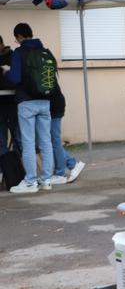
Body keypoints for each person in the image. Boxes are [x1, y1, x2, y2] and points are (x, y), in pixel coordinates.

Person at [2, 23, 55, 193]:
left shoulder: (20, 52)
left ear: (18, 36)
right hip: (45, 101)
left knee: (28, 141)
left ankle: (31, 181)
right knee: (46, 141)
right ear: (31, 34)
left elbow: (15, 78)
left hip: (26, 102)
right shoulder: (44, 51)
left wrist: (6, 73)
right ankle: (46, 180)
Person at [47, 86, 85, 185]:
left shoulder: (41, 72)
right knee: (52, 141)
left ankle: (60, 173)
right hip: (54, 106)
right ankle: (71, 164)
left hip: (53, 107)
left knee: (54, 141)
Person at [0, 34, 19, 156]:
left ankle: (20, 168)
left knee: (18, 137)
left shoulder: (13, 56)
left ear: (1, 44)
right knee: (1, 140)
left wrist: (5, 72)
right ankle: (3, 170)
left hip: (13, 102)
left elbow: (16, 78)